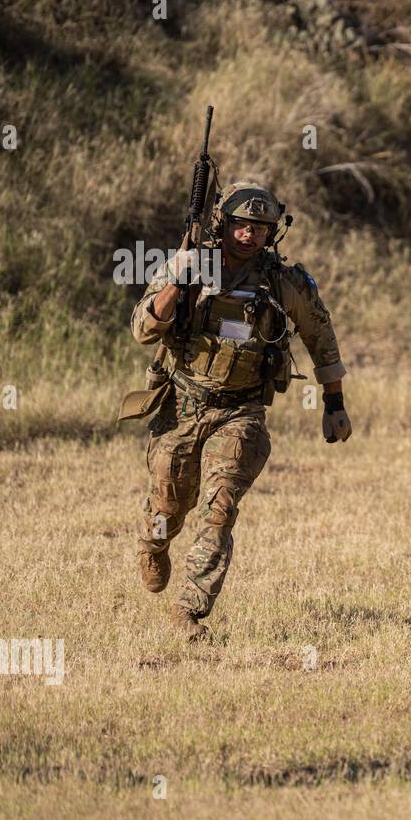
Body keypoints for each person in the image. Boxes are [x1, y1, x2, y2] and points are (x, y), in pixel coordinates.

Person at [129, 182, 351, 642]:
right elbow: (144, 330)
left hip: (241, 412)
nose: (248, 235)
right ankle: (152, 545)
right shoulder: (190, 265)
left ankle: (190, 611)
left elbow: (320, 336)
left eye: (259, 228)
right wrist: (178, 278)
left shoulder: (283, 282)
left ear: (272, 233)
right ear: (222, 224)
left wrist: (334, 403)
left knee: (219, 508)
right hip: (182, 405)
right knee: (167, 510)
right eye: (240, 225)